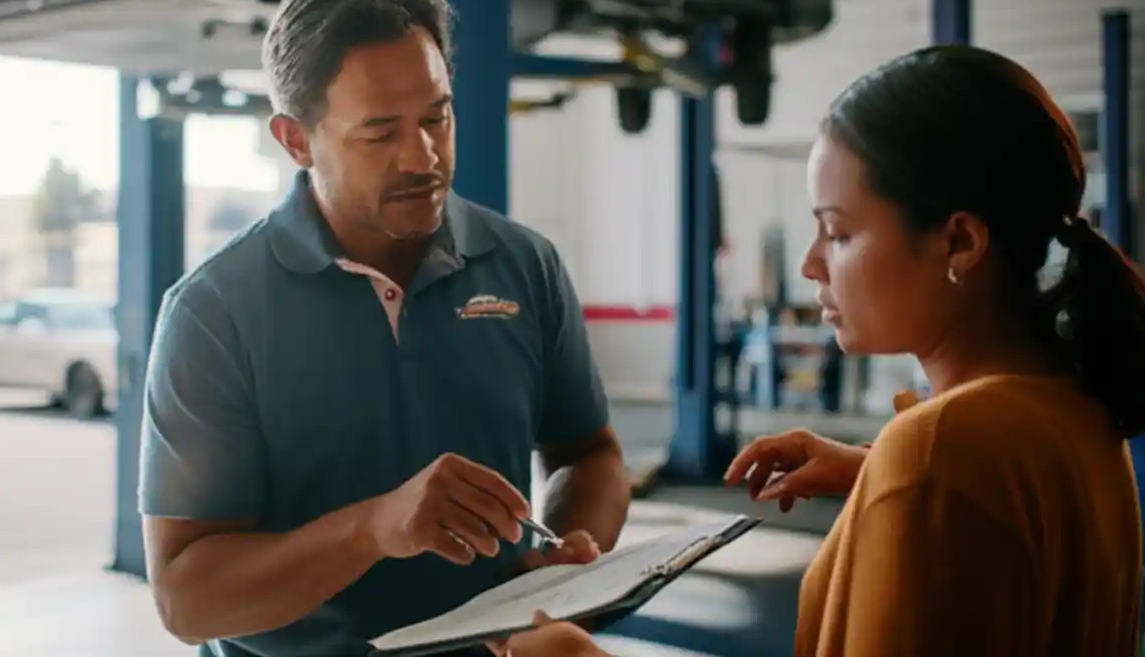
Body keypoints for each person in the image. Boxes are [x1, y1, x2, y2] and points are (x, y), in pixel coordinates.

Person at [491, 44, 1145, 656]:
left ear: (960, 244)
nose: (809, 264)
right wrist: (877, 476)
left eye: (838, 232)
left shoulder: (942, 450)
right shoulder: (1075, 410)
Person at [137, 0, 631, 657]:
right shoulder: (215, 314)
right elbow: (187, 599)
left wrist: (563, 562)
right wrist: (372, 529)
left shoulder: (524, 264)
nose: (423, 156)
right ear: (296, 140)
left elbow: (588, 453)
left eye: (438, 116)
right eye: (380, 133)